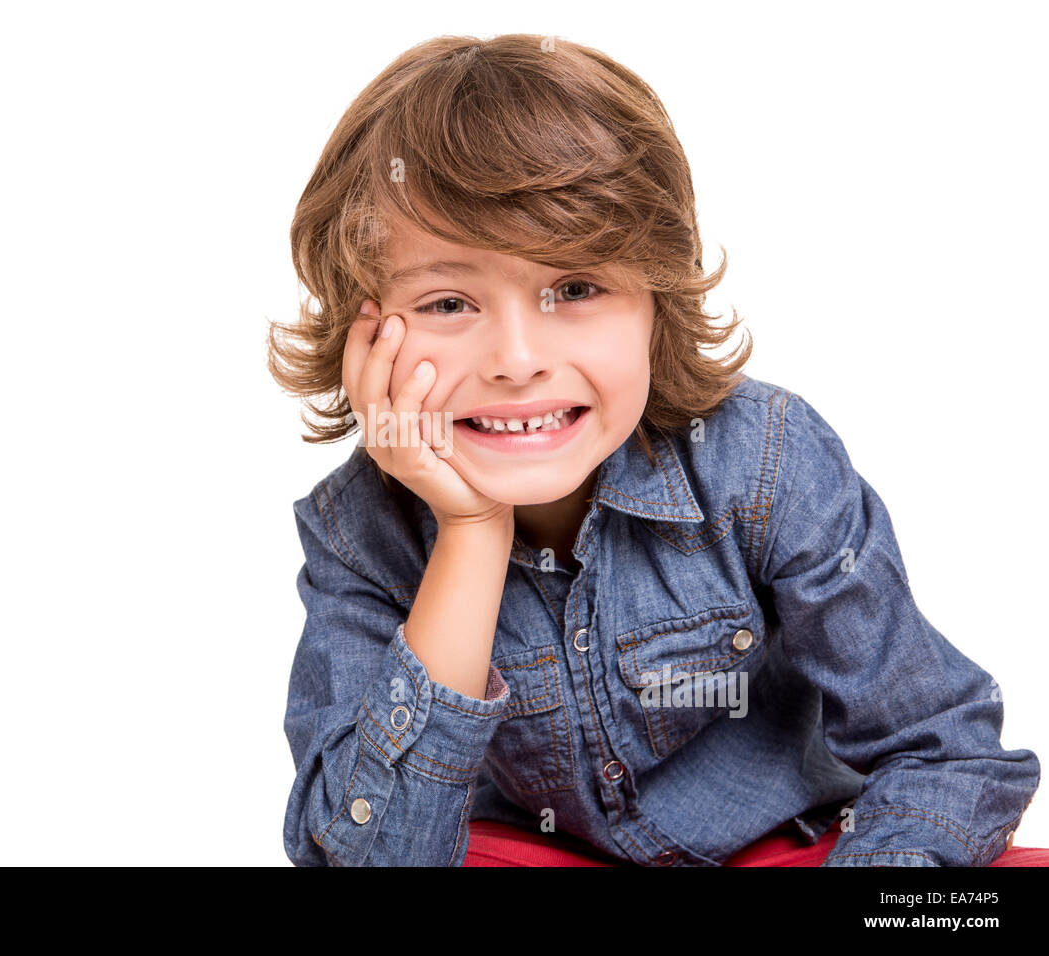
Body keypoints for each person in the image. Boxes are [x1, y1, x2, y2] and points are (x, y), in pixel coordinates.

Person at [267, 33, 1040, 866]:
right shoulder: (358, 529)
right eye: (450, 301)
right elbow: (367, 853)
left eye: (577, 288)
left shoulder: (764, 460)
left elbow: (943, 751)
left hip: (788, 848)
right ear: (363, 331)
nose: (518, 358)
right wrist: (471, 532)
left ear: (657, 307)